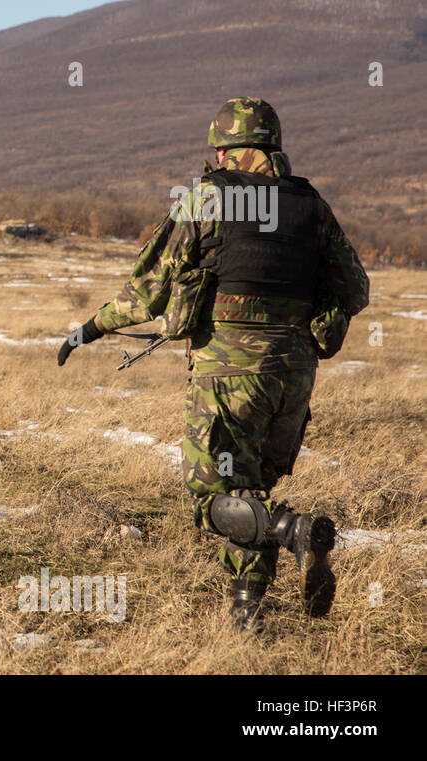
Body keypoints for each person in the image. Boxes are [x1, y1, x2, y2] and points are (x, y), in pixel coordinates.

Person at [57, 97, 369, 632]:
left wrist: (89, 328)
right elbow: (355, 287)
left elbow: (150, 293)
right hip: (293, 376)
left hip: (228, 376)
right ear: (272, 146)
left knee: (212, 497)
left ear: (225, 148)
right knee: (251, 494)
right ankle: (247, 614)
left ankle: (297, 531)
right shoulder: (309, 204)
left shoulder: (207, 198)